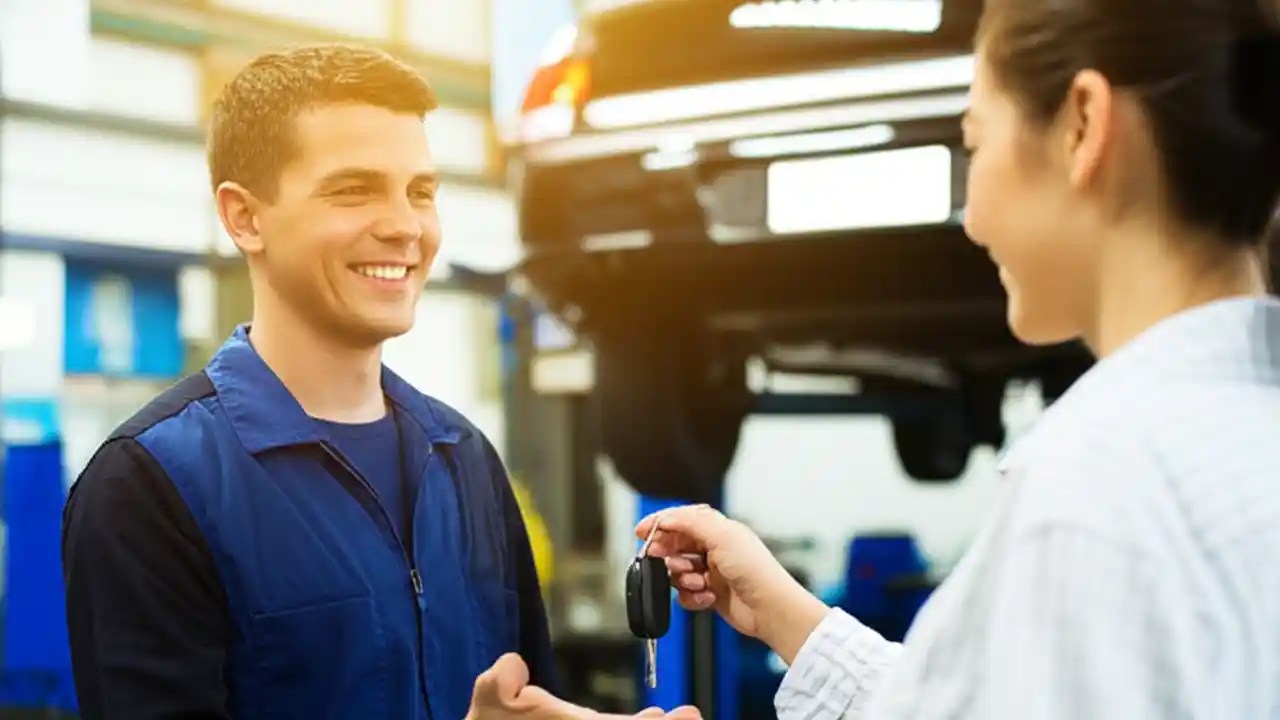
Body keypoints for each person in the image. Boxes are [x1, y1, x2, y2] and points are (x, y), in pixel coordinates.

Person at [487, 0, 1280, 716]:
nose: (973, 221)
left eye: (976, 143)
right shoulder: (1233, 442)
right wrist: (789, 618)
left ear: (1081, 125)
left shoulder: (1099, 495)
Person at [61, 44, 558, 719]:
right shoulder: (151, 486)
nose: (404, 225)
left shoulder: (463, 459)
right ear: (244, 217)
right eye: (353, 190)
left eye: (420, 192)